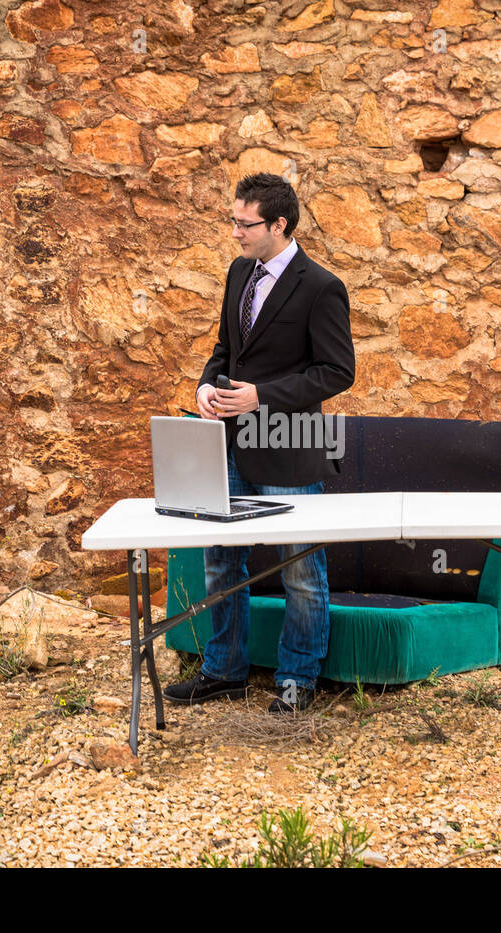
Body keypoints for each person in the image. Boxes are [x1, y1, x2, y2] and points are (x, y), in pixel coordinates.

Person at [163, 172, 355, 714]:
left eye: (244, 224)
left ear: (279, 224)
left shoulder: (321, 287)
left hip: (290, 446)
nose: (235, 234)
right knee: (221, 562)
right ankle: (224, 670)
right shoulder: (237, 272)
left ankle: (296, 680)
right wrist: (206, 383)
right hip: (227, 445)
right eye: (233, 221)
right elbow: (227, 348)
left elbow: (337, 372)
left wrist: (260, 397)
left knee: (301, 572)